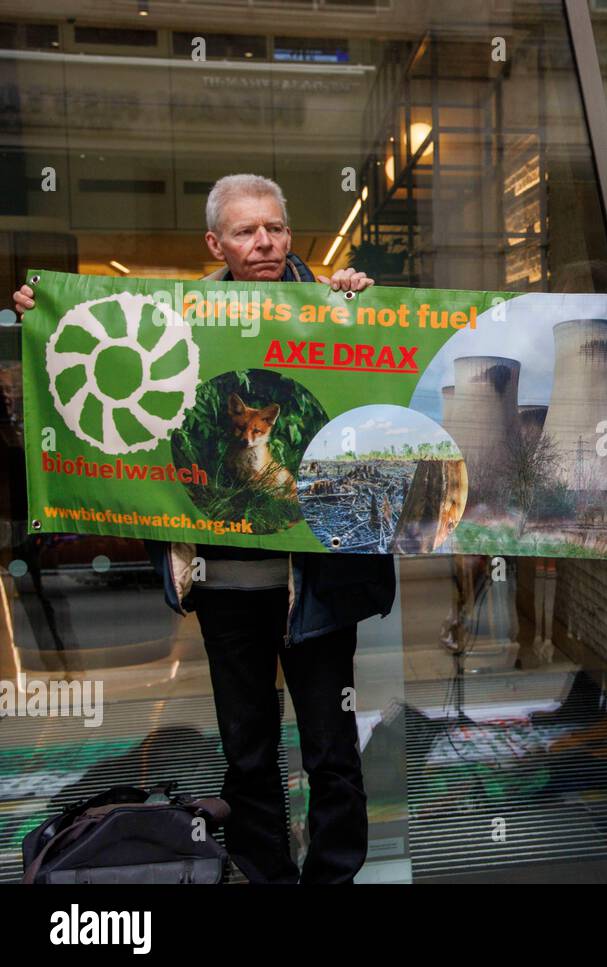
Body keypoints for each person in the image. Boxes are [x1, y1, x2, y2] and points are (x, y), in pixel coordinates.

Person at [14, 173, 397, 884]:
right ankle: (266, 876)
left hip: (314, 591)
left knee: (331, 751)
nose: (265, 242)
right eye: (248, 230)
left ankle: (334, 878)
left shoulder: (337, 306)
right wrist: (45, 317)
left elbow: (379, 400)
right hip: (226, 591)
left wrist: (365, 306)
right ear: (214, 242)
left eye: (276, 227)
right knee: (248, 754)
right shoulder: (178, 323)